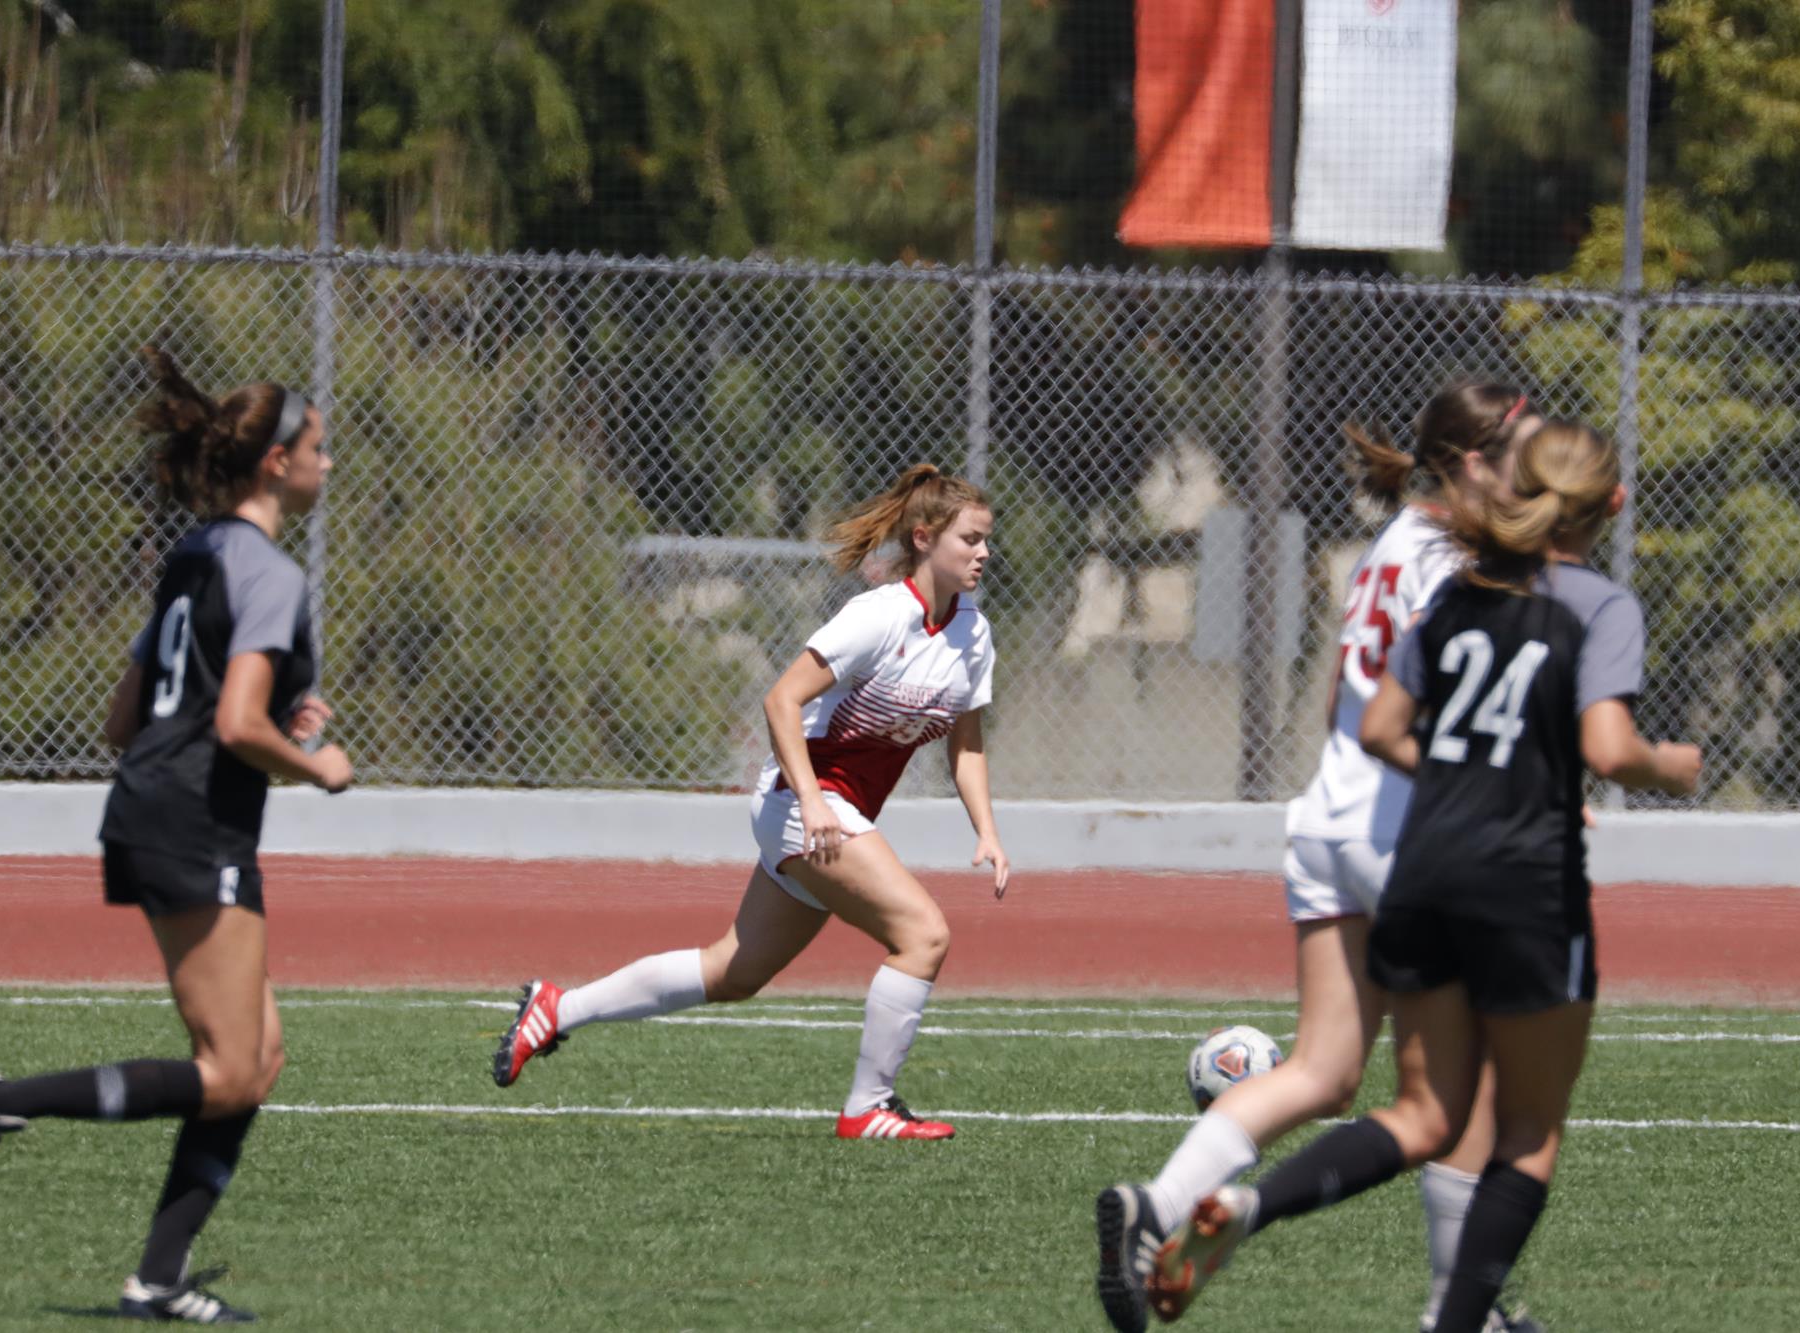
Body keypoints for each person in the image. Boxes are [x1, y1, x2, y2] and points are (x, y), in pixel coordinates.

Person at [1145, 420, 1701, 1330]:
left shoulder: (1456, 592)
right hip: (1523, 878)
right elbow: (1608, 747)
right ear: (1614, 502)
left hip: (1423, 868)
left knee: (1422, 1114)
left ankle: (1250, 1201)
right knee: (1526, 1133)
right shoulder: (1598, 605)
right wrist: (1670, 765)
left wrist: (1460, 773)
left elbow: (1376, 726)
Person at [1093, 383, 1544, 1333]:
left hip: (1328, 822)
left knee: (1325, 1070)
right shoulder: (1460, 565)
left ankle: (1157, 1205)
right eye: (1521, 452)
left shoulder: (1394, 545)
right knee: (1463, 1091)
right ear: (1473, 464)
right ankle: (1460, 1312)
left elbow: (1347, 689)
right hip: (1406, 840)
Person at [0, 346, 352, 1323]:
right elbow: (235, 723)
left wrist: (271, 721)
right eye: (317, 447)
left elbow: (124, 716)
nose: (327, 462)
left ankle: (160, 1278)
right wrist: (316, 763)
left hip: (165, 808)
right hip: (192, 822)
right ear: (276, 463)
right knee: (227, 1068)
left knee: (258, 1058)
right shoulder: (269, 573)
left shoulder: (192, 556)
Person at [493, 464, 1008, 1142]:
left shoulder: (973, 632)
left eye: (986, 539)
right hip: (804, 805)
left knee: (733, 971)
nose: (984, 552)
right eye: (970, 538)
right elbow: (781, 700)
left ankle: (556, 1009)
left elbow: (966, 743)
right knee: (923, 934)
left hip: (831, 814)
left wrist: (987, 829)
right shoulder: (879, 615)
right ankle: (868, 1107)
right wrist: (813, 803)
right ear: (923, 538)